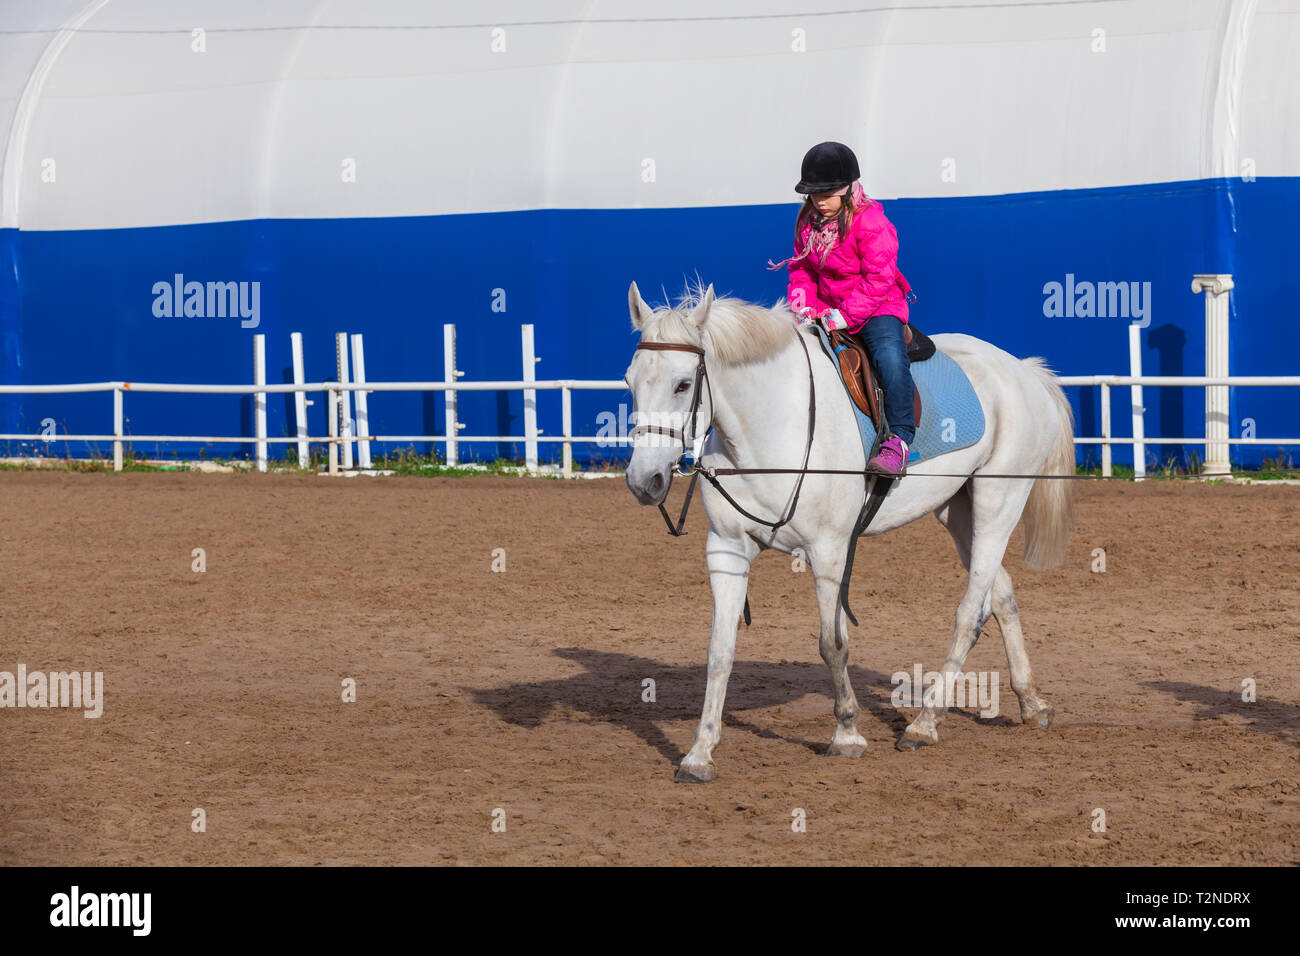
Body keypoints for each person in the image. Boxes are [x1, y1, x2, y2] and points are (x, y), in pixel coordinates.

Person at [768, 141, 915, 476]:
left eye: (828, 192)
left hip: (877, 307)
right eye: (813, 193)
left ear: (848, 188)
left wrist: (843, 316)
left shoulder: (871, 221)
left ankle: (899, 440)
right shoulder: (808, 222)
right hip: (825, 310)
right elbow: (801, 269)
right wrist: (804, 307)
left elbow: (879, 278)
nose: (819, 200)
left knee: (890, 358)